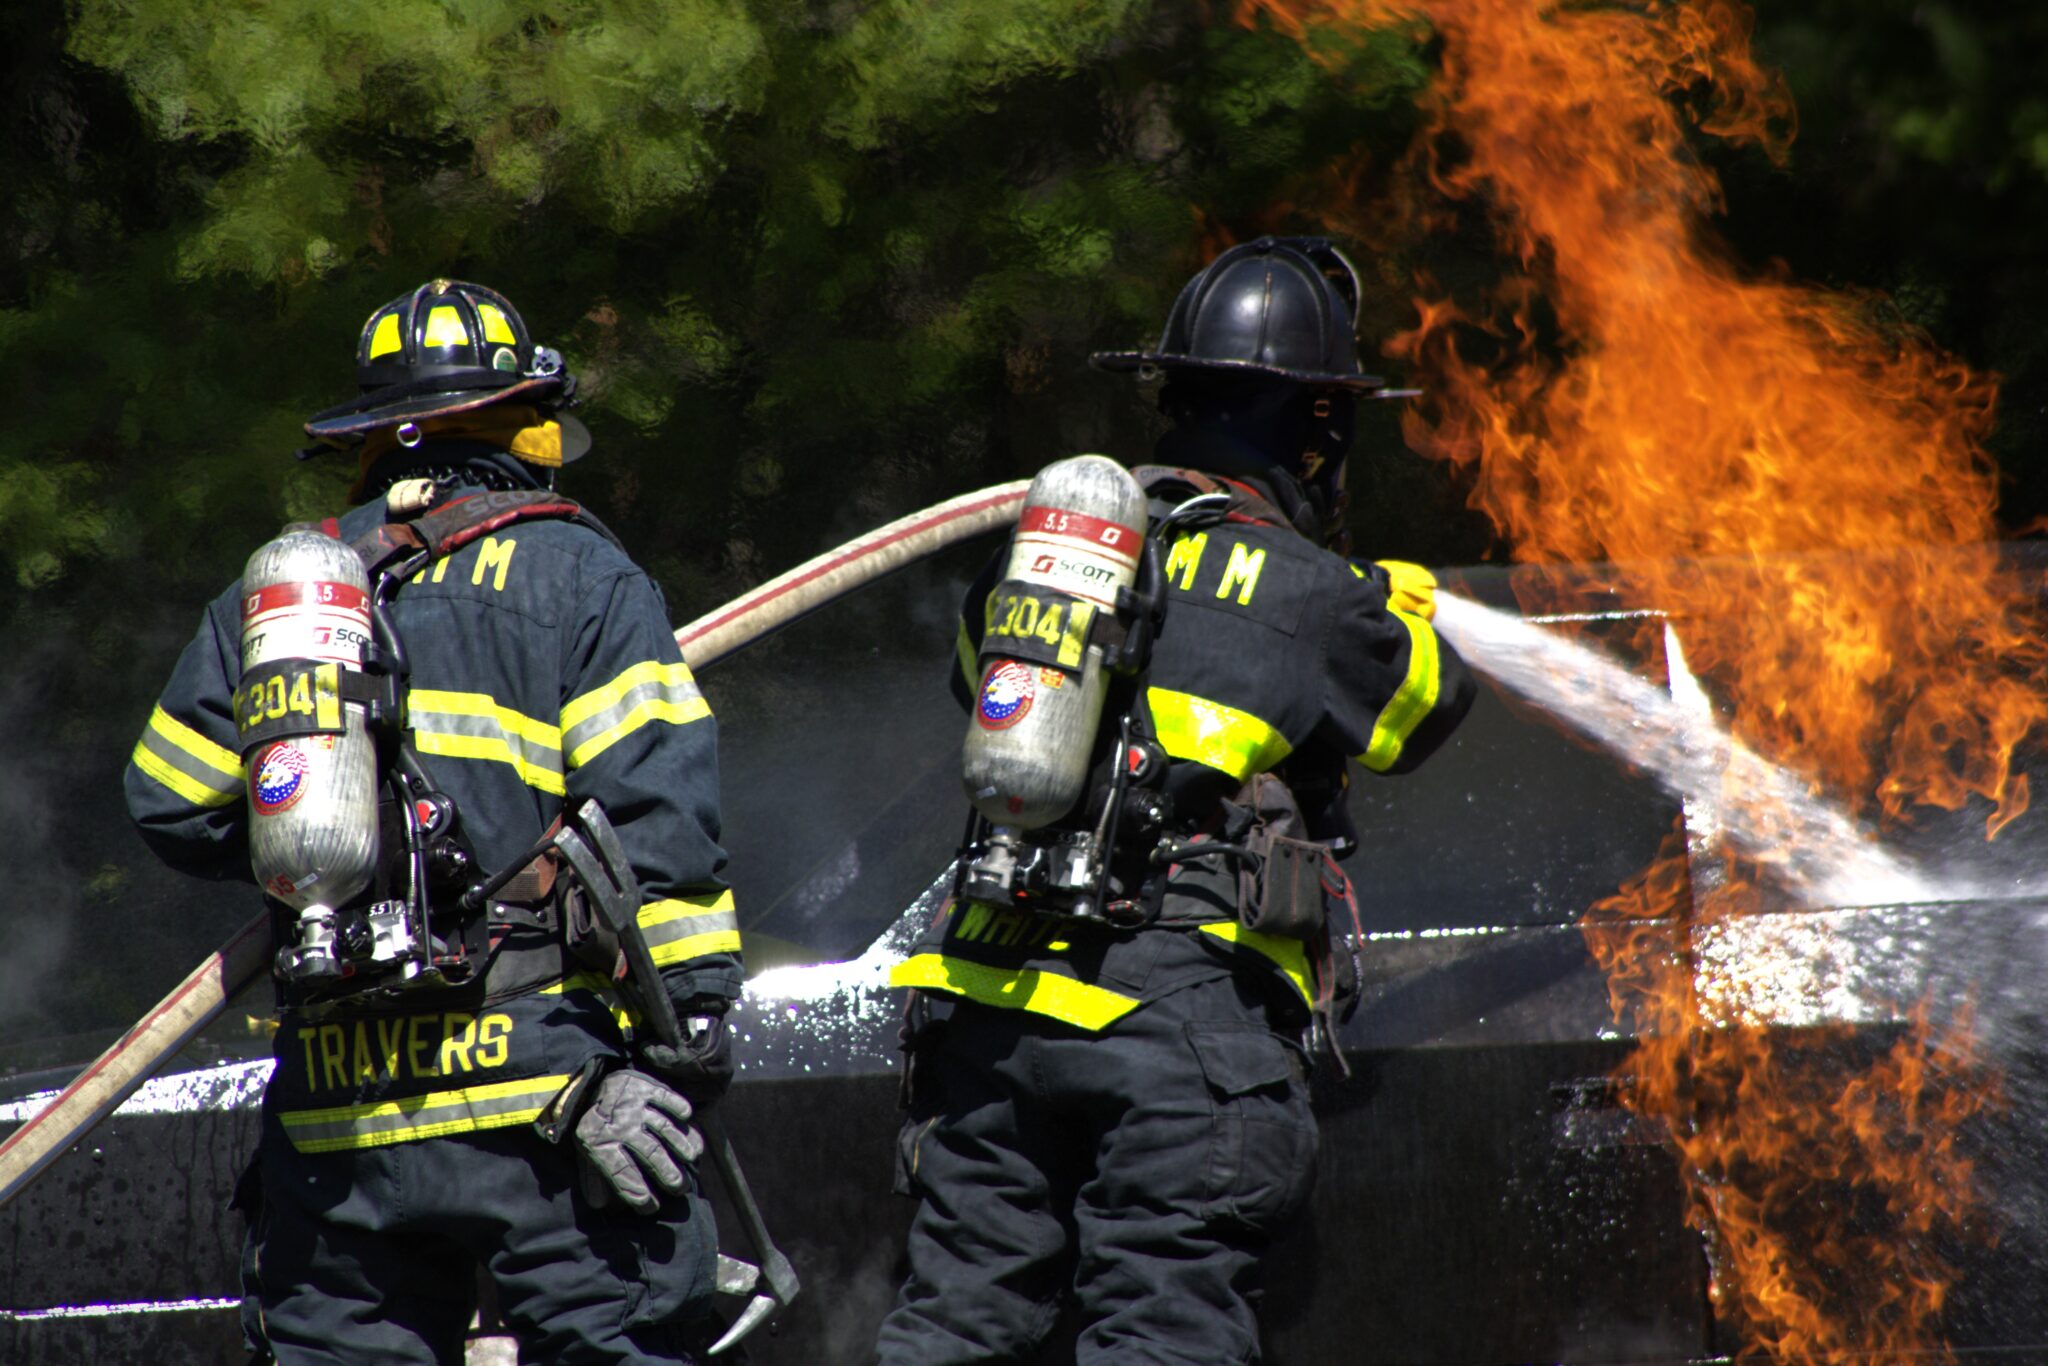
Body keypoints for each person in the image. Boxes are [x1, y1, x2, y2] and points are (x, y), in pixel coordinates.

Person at [875, 237, 1476, 1363]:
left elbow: (975, 677)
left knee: (956, 1323)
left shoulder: (1052, 557)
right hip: (1173, 1025)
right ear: (1317, 426)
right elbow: (1423, 710)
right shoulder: (1310, 589)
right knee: (1162, 1330)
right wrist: (1392, 598)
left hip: (988, 1010)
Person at [124, 280, 744, 1363]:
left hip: (338, 1107)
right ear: (518, 423)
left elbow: (169, 800)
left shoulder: (275, 603)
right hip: (541, 1095)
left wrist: (314, 864)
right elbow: (661, 826)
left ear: (366, 442)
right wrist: (682, 1046)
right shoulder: (579, 572)